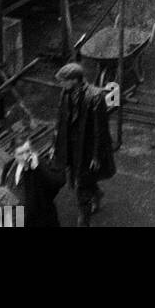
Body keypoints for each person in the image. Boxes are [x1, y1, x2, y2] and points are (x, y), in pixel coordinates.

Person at [52, 62, 116, 228]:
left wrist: (96, 155)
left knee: (81, 187)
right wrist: (55, 144)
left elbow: (99, 130)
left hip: (87, 148)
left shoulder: (95, 97)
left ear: (74, 80)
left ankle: (83, 221)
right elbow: (60, 120)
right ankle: (96, 193)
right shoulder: (65, 94)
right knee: (79, 179)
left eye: (63, 80)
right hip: (72, 147)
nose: (61, 84)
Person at [4, 138, 63, 228]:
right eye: (20, 154)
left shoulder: (39, 164)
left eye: (27, 151)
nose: (25, 157)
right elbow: (5, 190)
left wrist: (38, 168)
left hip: (40, 220)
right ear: (13, 154)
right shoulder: (9, 168)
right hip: (18, 217)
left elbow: (57, 183)